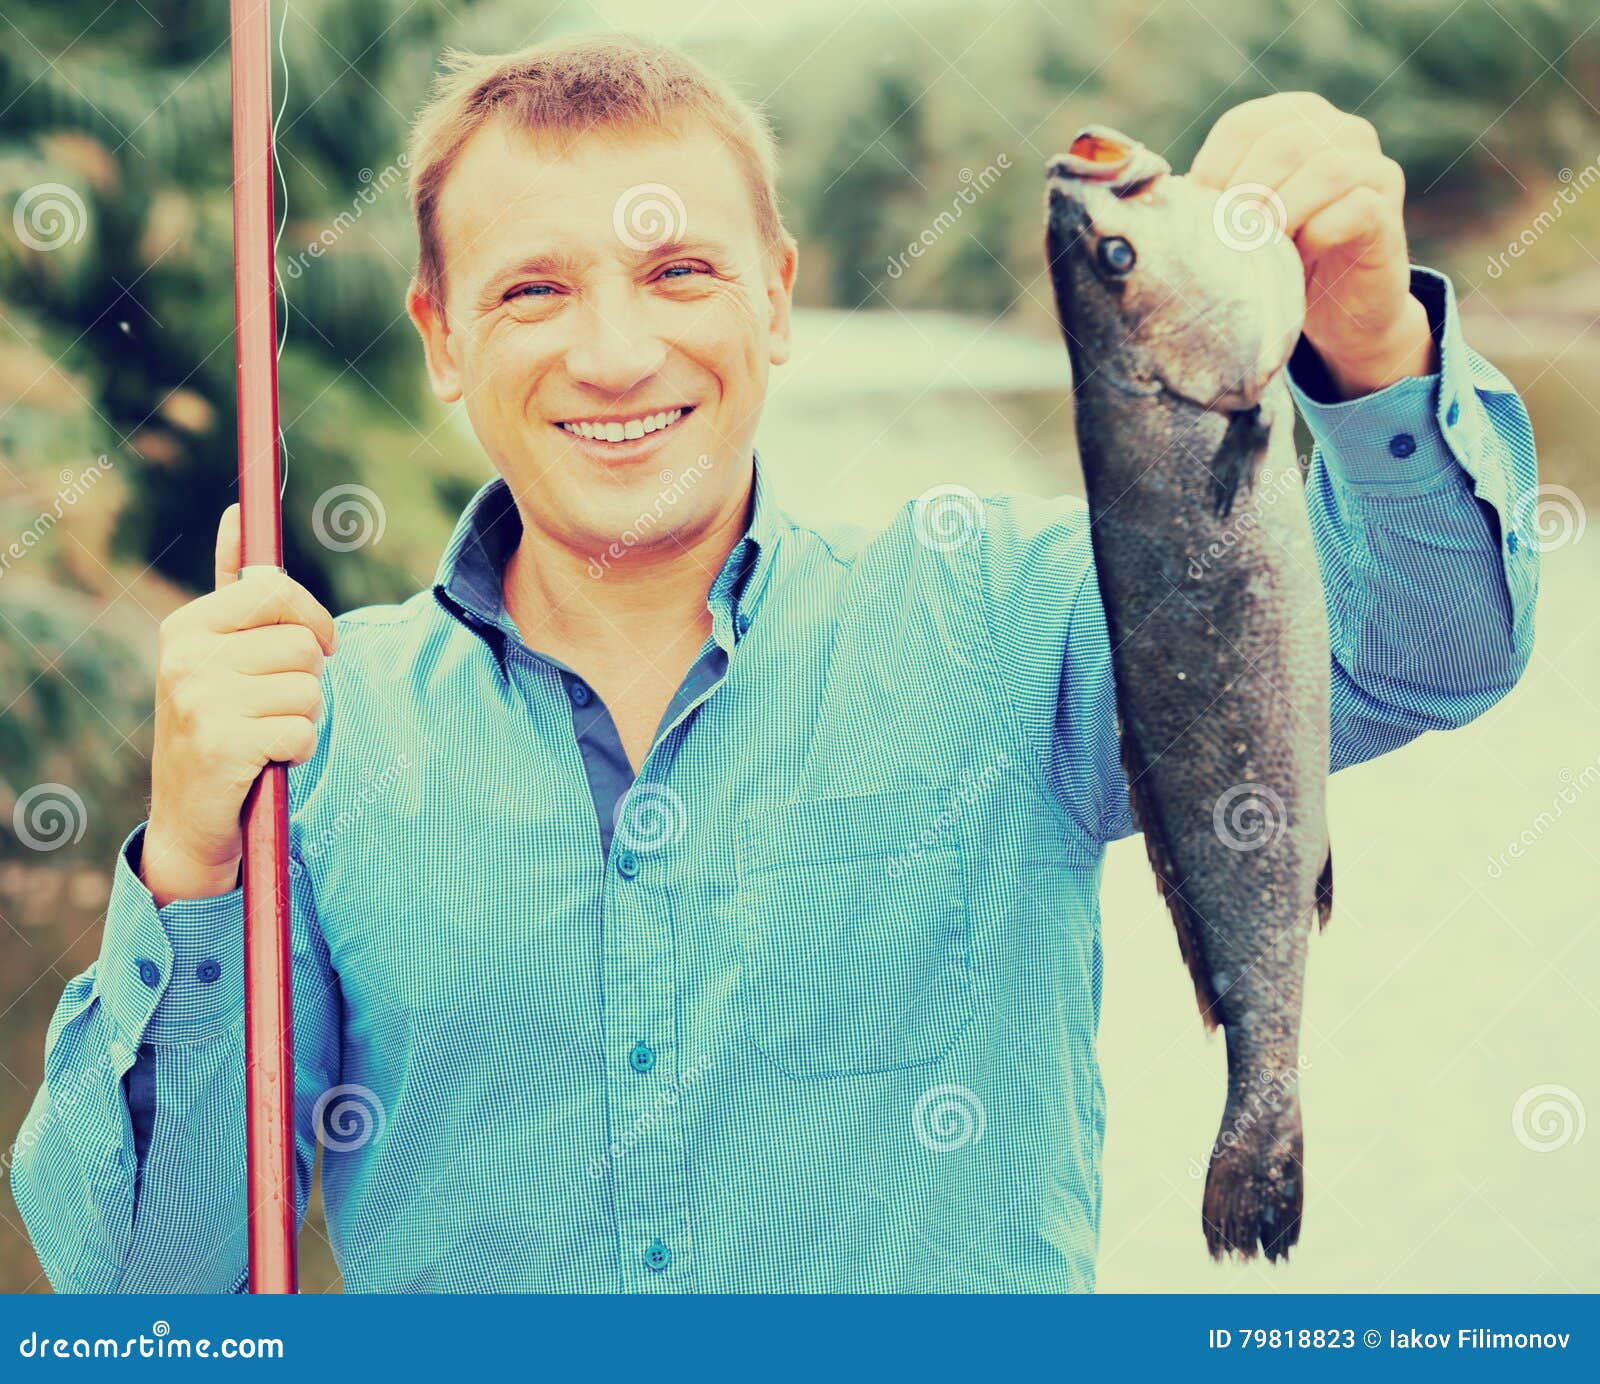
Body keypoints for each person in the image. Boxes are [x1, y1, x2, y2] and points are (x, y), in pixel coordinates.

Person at [11, 33, 1539, 1292]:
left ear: (779, 300)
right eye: (533, 289)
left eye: (678, 274)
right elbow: (151, 1290)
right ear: (439, 337)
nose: (615, 354)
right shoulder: (317, 732)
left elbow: (1435, 651)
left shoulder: (1010, 617)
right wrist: (194, 858)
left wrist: (1368, 336)